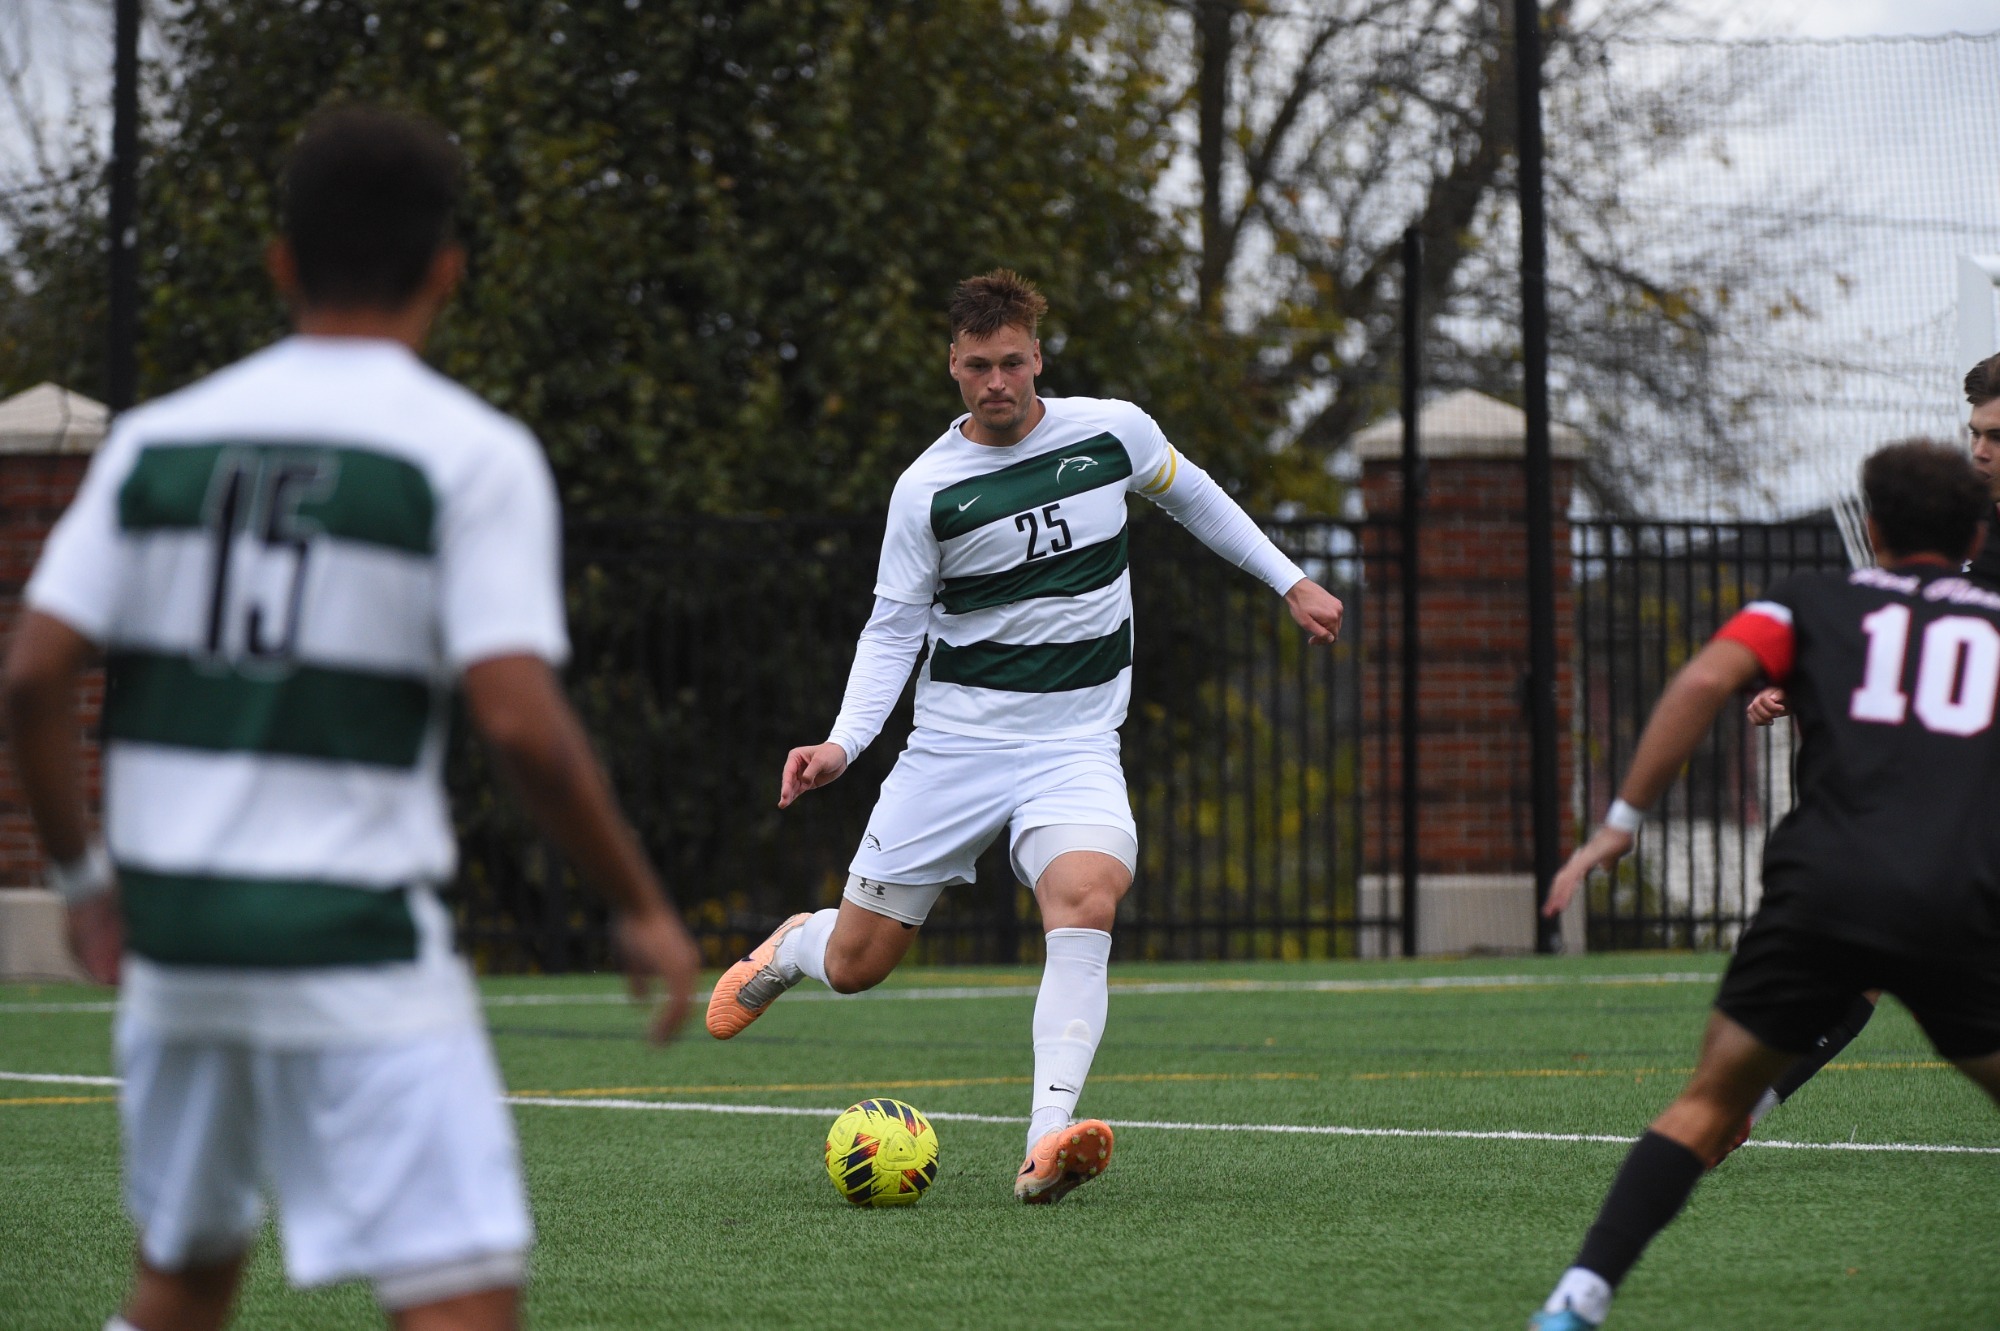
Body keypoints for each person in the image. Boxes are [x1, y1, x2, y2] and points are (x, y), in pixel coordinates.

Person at [4, 105, 701, 1331]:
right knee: (459, 1294)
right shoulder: (467, 454)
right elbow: (523, 723)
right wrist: (637, 901)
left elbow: (30, 674)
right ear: (447, 269)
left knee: (185, 1278)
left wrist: (81, 876)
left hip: (176, 941)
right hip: (352, 943)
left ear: (280, 261)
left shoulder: (159, 442)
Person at [703, 269, 1346, 1203]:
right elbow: (891, 630)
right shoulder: (927, 491)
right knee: (858, 966)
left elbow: (1196, 496)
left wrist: (1289, 579)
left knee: (1086, 899)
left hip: (1075, 744)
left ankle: (1049, 1139)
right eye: (978, 366)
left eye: (1012, 362)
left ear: (1038, 357)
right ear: (953, 367)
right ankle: (797, 944)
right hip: (956, 748)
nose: (997, 382)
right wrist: (843, 743)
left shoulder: (1112, 431)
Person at [1526, 440, 2000, 1330]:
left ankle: (1574, 1300)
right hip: (1958, 899)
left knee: (1710, 1103)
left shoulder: (1809, 601)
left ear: (1871, 527)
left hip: (1822, 891)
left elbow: (1705, 678)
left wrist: (1618, 826)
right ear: (1976, 529)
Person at [1722, 352, 2000, 1152]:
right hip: (1951, 796)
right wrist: (1806, 688)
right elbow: (1894, 649)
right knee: (1864, 951)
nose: (1978, 450)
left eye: (1994, 435)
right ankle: (1742, 1112)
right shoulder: (1956, 532)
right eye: (1972, 432)